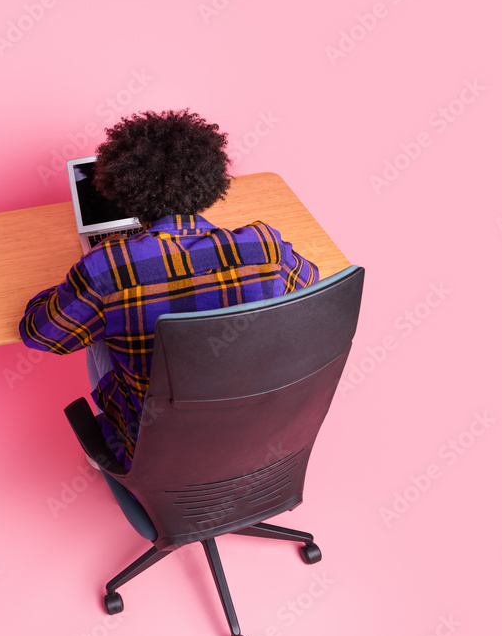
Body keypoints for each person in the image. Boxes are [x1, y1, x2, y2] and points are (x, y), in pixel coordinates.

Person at [19, 109, 320, 470]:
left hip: (152, 453)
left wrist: (81, 284)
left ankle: (113, 455)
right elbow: (310, 287)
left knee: (102, 329)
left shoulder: (107, 268)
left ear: (125, 190)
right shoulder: (264, 246)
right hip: (261, 435)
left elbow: (40, 334)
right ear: (208, 180)